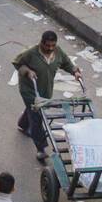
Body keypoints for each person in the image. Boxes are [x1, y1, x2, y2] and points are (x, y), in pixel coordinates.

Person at [13, 30, 82, 161]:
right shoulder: (31, 53)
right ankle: (40, 148)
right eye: (47, 46)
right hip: (30, 90)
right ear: (41, 43)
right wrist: (27, 71)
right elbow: (17, 63)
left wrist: (74, 72)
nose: (50, 48)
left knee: (34, 111)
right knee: (37, 117)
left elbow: (66, 63)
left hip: (45, 90)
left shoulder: (57, 52)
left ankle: (23, 124)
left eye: (52, 46)